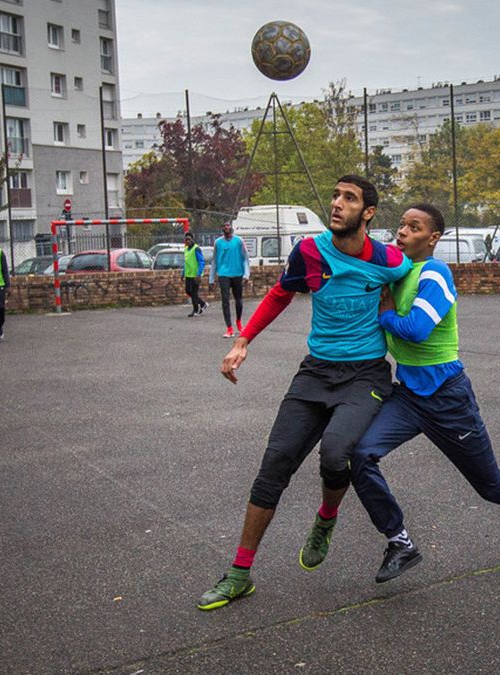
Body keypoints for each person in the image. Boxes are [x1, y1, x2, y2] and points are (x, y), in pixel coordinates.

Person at [198, 175, 412, 611]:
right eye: (335, 196)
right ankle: (239, 574)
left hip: (365, 375)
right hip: (315, 372)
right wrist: (243, 341)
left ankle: (326, 519)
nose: (337, 204)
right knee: (274, 464)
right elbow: (280, 294)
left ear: (368, 213)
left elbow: (416, 284)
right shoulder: (311, 252)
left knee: (336, 455)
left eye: (348, 199)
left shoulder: (391, 260)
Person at [351, 204, 500, 583]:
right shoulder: (398, 274)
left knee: (490, 486)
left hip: (448, 397)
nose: (402, 231)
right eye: (401, 225)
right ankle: (400, 541)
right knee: (359, 455)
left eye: (414, 227)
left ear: (433, 238)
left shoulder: (435, 272)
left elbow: (417, 328)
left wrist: (386, 314)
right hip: (409, 396)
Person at [210, 222, 250, 338]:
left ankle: (238, 321)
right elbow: (214, 261)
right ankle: (229, 328)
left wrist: (246, 274)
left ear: (231, 228)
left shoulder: (239, 241)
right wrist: (211, 279)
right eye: (224, 226)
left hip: (237, 273)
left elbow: (246, 258)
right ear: (222, 229)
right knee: (225, 300)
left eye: (228, 226)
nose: (226, 228)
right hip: (223, 274)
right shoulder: (218, 243)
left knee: (239, 300)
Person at [183, 232, 209, 317]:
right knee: (188, 291)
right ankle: (202, 303)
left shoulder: (196, 249)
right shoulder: (186, 249)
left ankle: (195, 310)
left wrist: (198, 274)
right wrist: (182, 273)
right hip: (188, 275)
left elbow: (201, 262)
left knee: (194, 293)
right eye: (186, 239)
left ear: (192, 239)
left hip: (195, 275)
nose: (188, 241)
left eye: (189, 239)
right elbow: (186, 262)